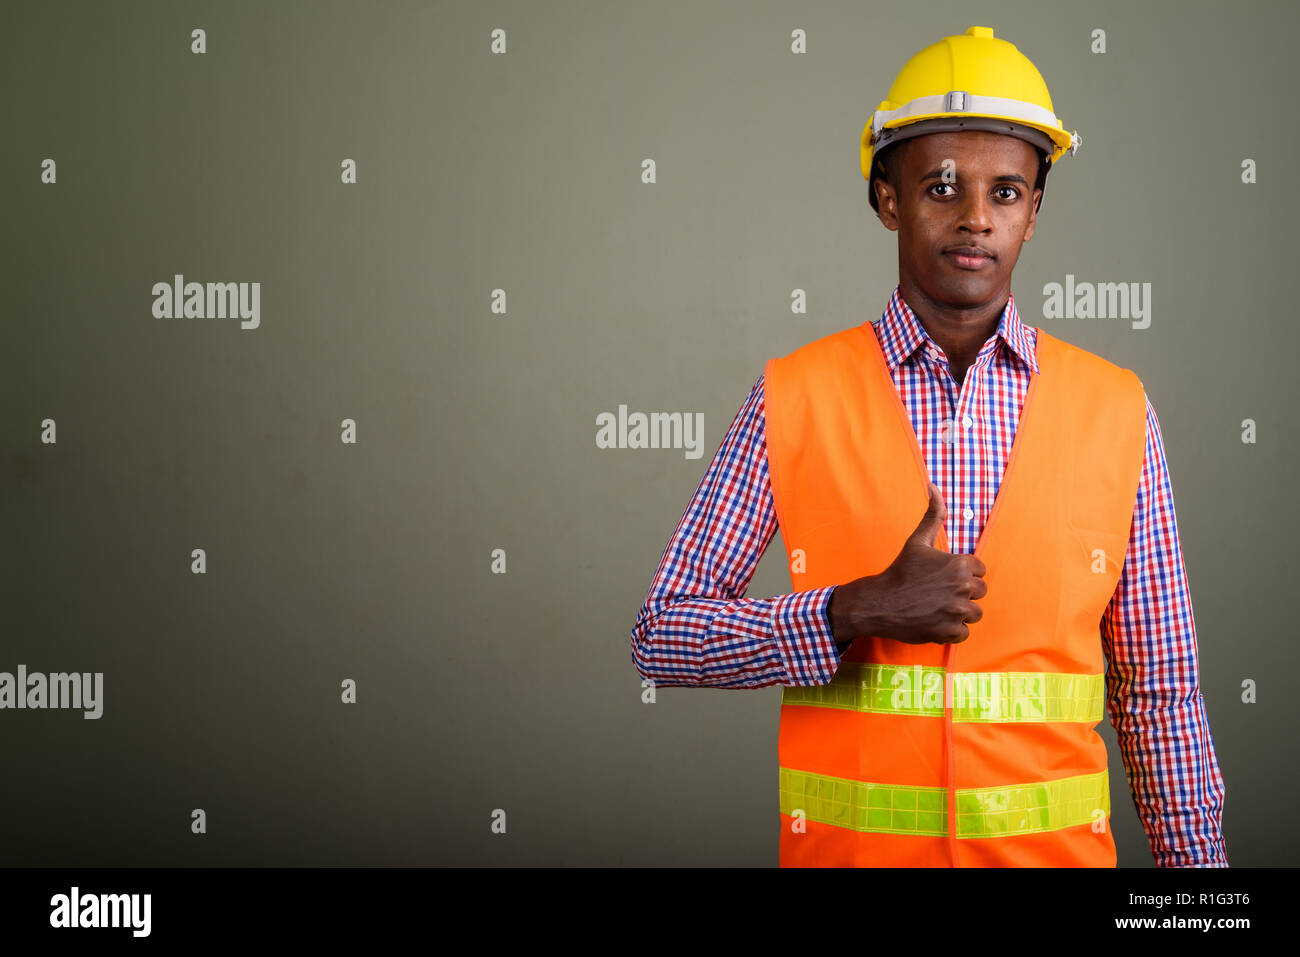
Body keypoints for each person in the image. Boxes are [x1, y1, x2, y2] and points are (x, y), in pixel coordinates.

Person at [628, 26, 1226, 867]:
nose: (976, 216)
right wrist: (848, 611)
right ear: (888, 200)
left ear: (1035, 210)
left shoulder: (1116, 409)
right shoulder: (794, 395)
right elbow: (662, 632)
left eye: (1008, 191)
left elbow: (1160, 695)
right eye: (942, 186)